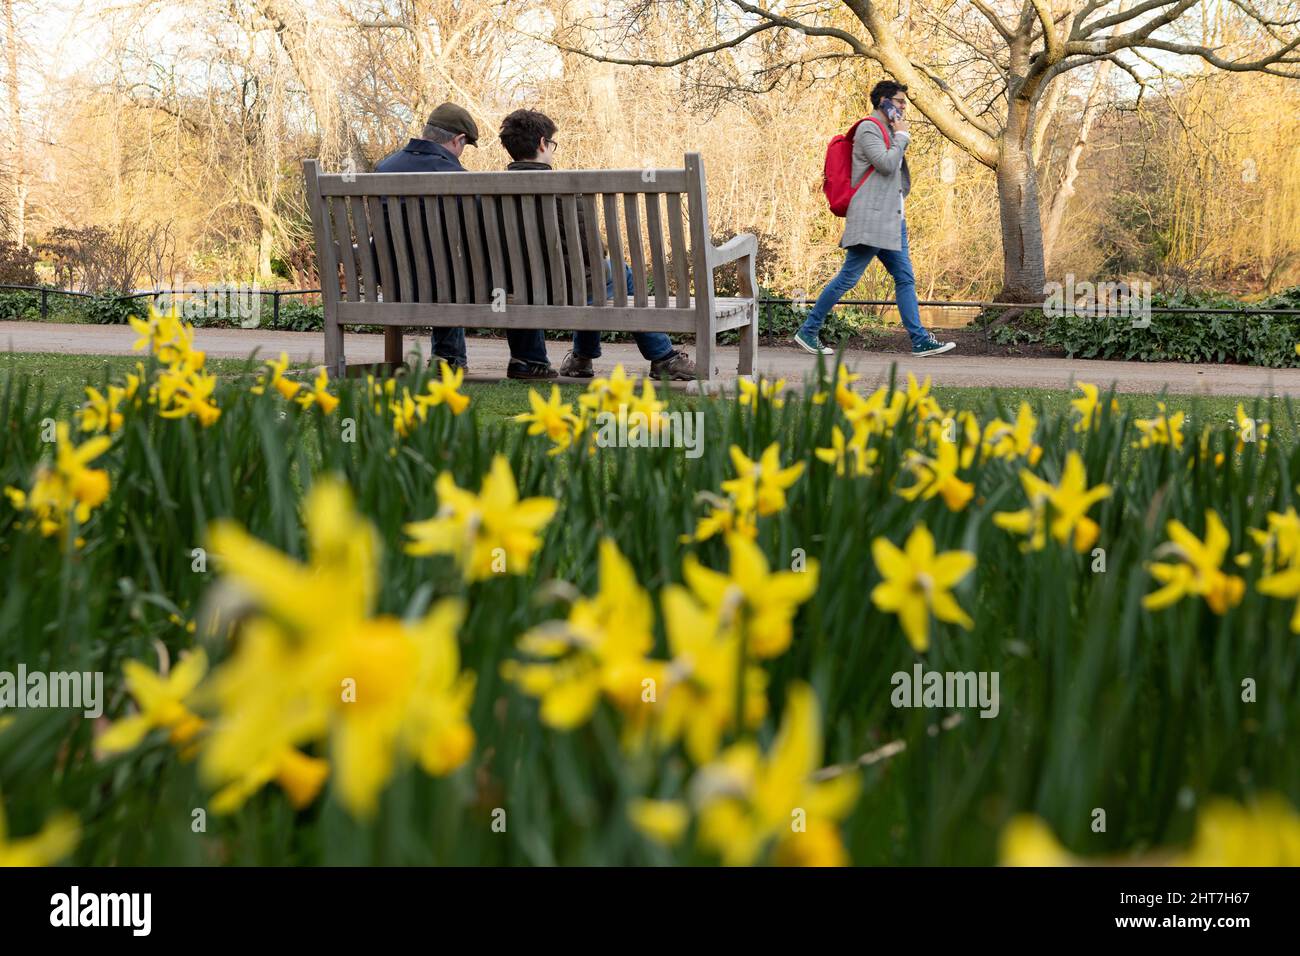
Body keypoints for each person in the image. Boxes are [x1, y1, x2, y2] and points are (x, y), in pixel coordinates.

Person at [496, 108, 697, 381]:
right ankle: (661, 357)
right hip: (567, 291)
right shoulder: (562, 191)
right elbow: (593, 250)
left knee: (560, 278)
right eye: (551, 145)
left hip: (512, 290)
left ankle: (532, 359)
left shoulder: (489, 193)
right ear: (542, 143)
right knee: (618, 271)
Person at [374, 102, 556, 379]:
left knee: (443, 268)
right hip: (444, 284)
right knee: (491, 269)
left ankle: (448, 358)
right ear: (458, 140)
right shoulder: (457, 180)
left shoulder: (382, 169)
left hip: (391, 282)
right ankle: (527, 359)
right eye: (464, 146)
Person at [794, 81, 956, 358]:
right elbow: (885, 163)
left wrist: (897, 136)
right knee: (848, 278)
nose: (904, 107)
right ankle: (808, 331)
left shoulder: (888, 129)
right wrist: (902, 138)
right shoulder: (869, 127)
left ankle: (919, 340)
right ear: (882, 100)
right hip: (871, 220)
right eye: (899, 101)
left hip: (892, 222)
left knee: (905, 278)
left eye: (905, 102)